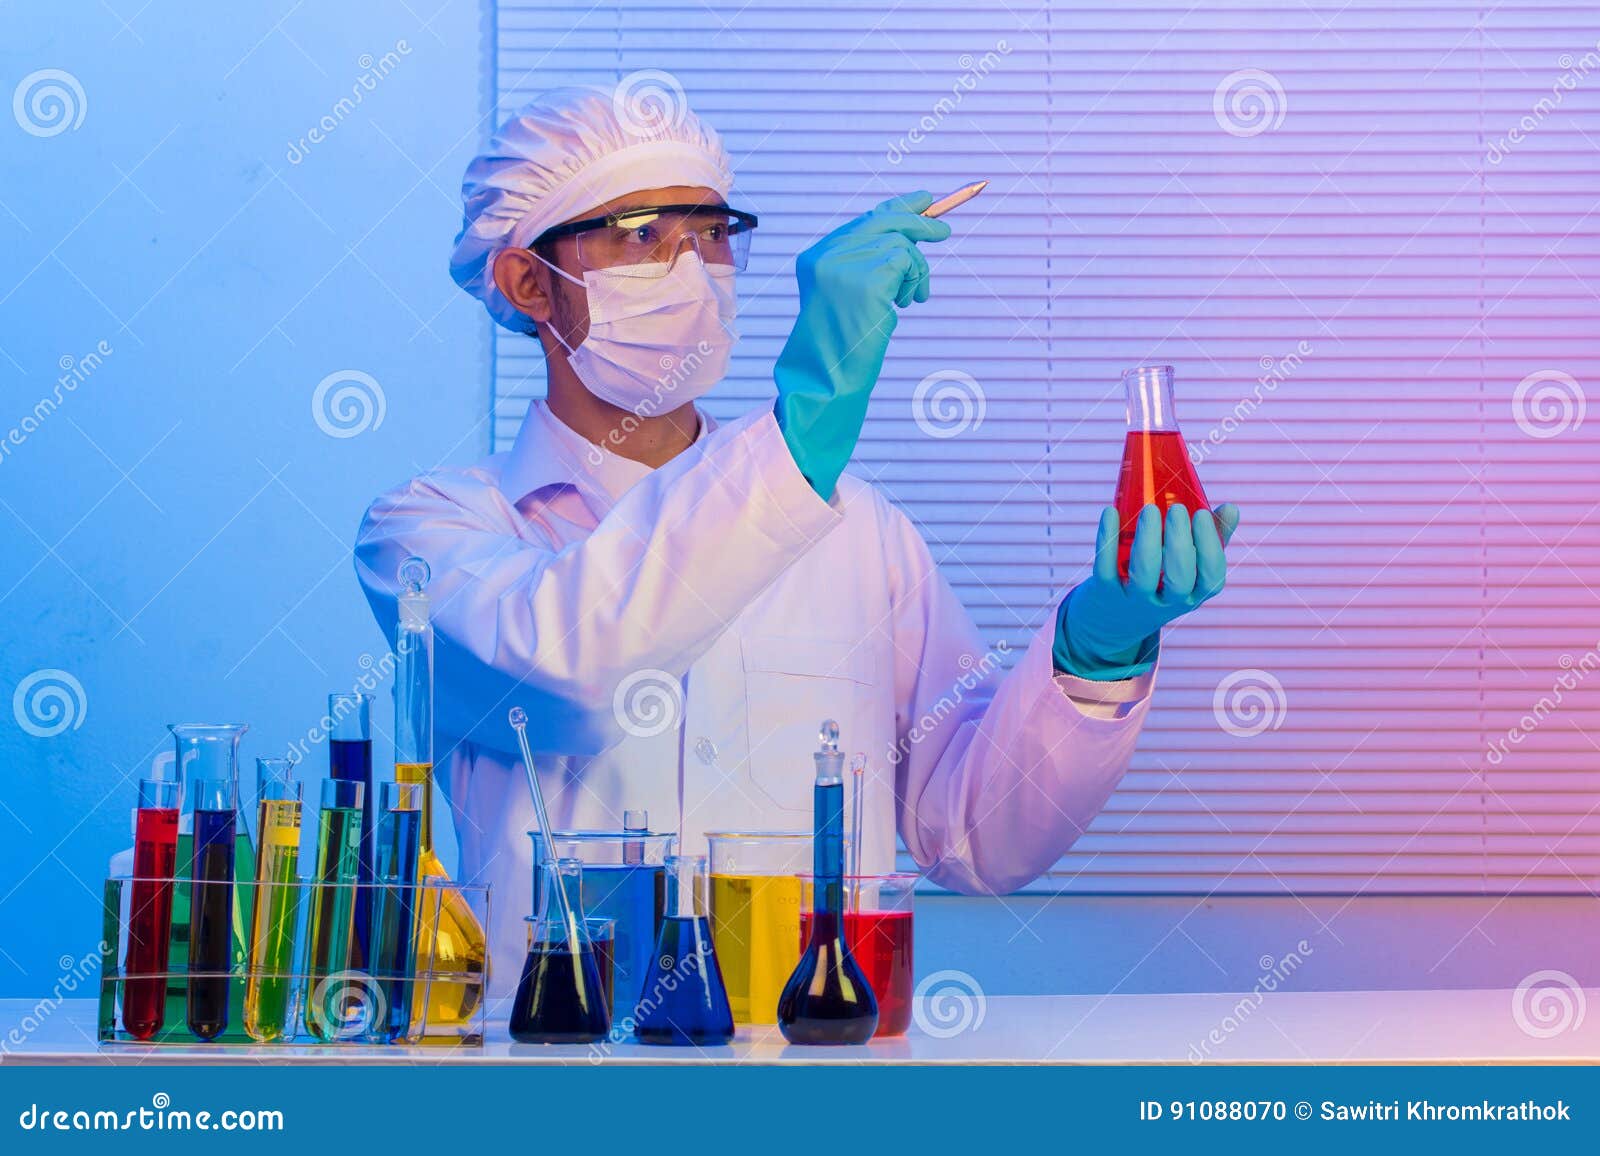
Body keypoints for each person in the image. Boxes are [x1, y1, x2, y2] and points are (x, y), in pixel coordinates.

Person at [354, 86, 1238, 984]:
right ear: (529, 282)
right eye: (643, 236)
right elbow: (571, 669)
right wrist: (799, 435)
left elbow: (976, 835)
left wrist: (1095, 652)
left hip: (813, 1039)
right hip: (559, 1042)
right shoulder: (428, 533)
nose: (693, 270)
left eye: (712, 233)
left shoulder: (858, 531)